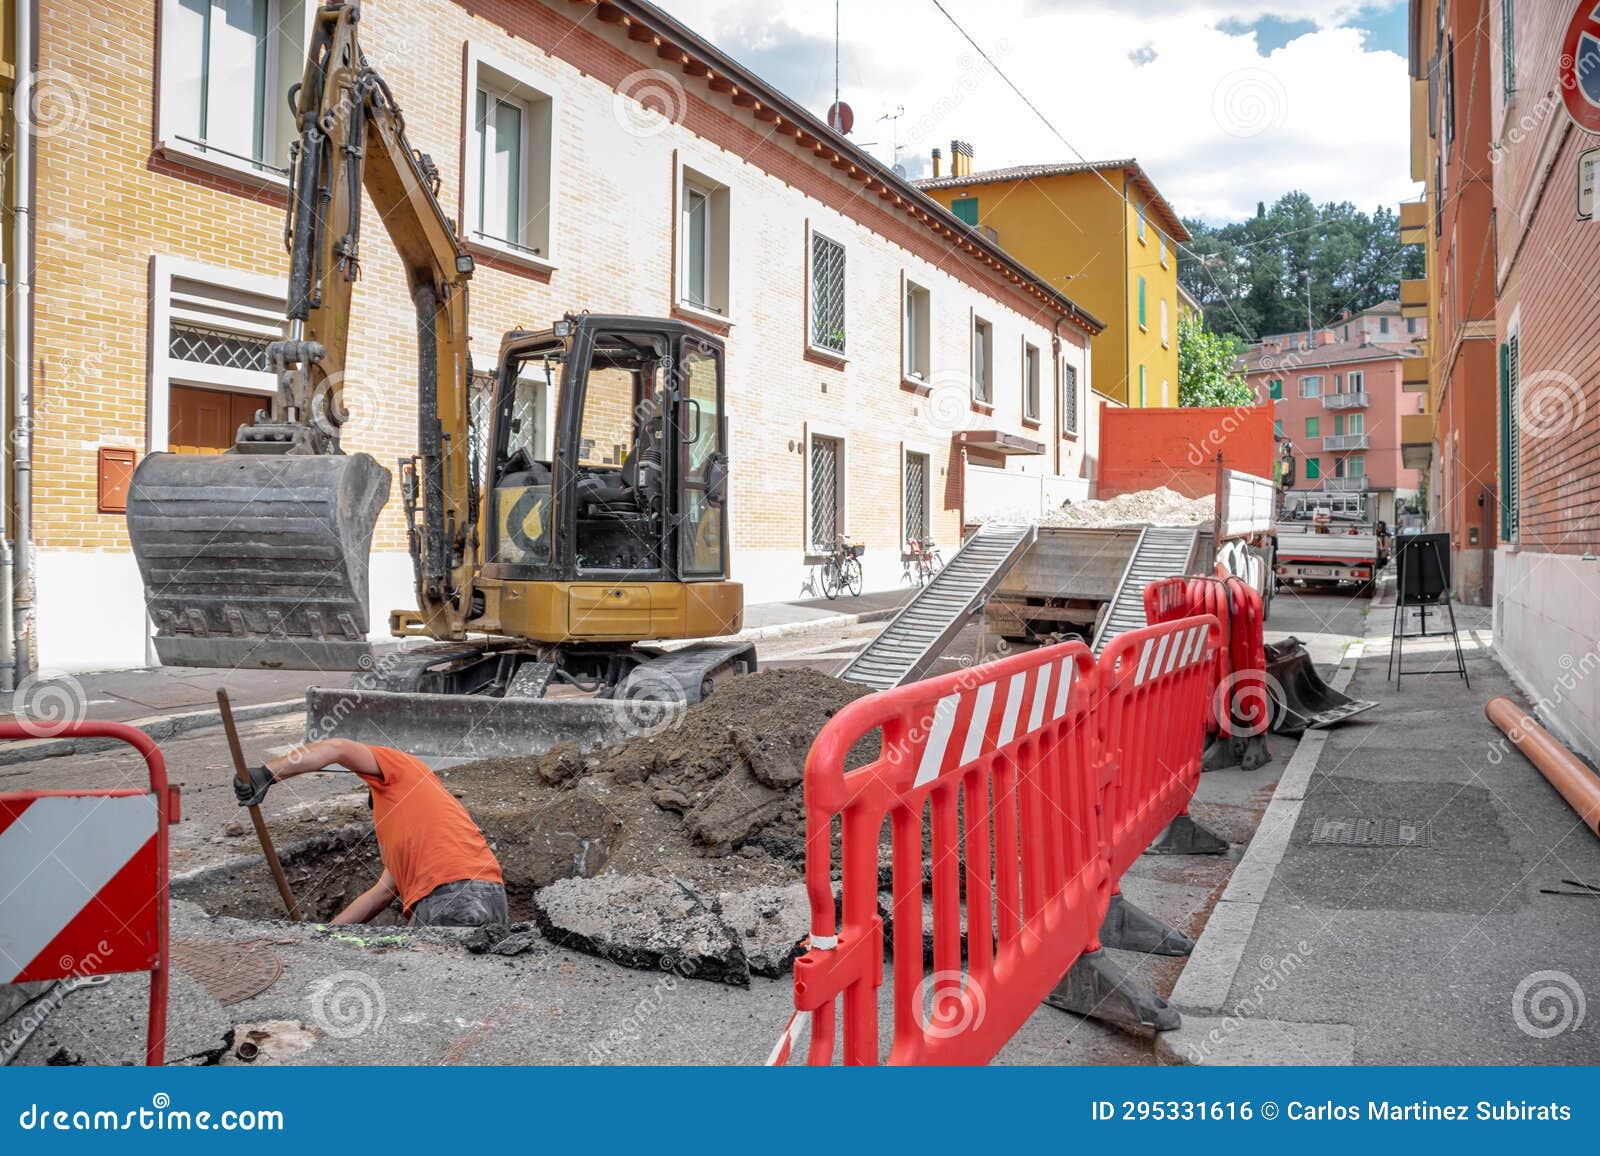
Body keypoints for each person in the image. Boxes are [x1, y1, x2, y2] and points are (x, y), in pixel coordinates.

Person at [233, 739, 507, 928]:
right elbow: (380, 894)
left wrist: (267, 773)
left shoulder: (403, 771)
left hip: (451, 898)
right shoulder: (420, 831)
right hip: (491, 899)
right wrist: (325, 934)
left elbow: (337, 748)